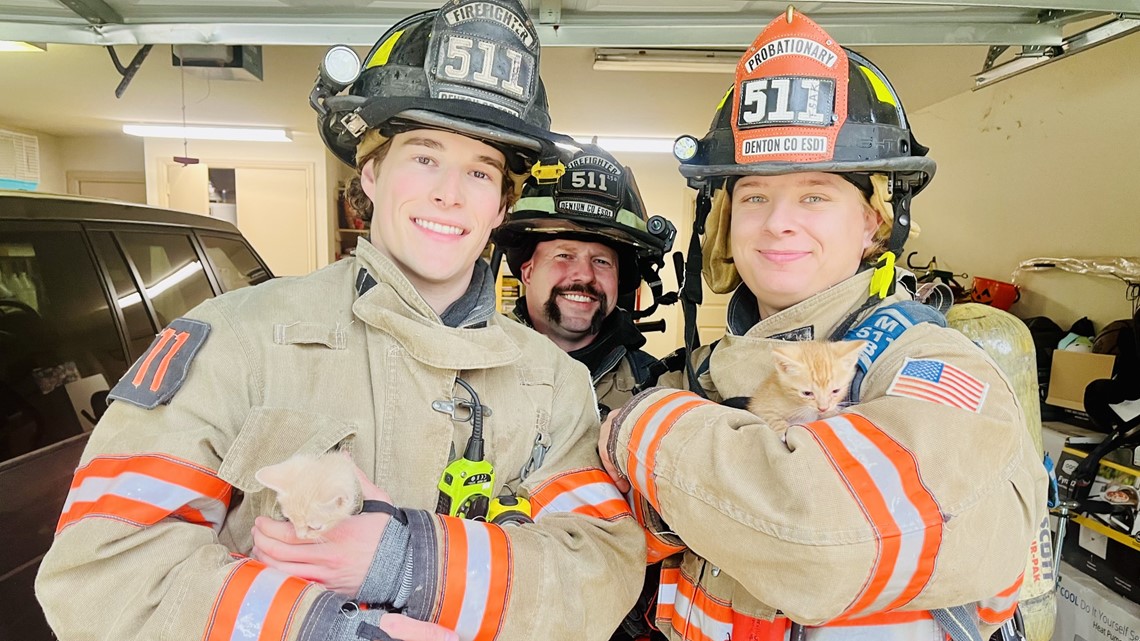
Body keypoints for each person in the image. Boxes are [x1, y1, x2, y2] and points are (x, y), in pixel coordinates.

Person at [35, 2, 645, 641]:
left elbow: (601, 571)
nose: (449, 193)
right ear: (373, 174)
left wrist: (410, 563)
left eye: (480, 172)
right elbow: (103, 570)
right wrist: (330, 630)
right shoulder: (235, 340)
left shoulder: (554, 383)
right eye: (424, 157)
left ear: (500, 208)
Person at [597, 9, 1048, 641]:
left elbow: (821, 540)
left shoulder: (934, 365)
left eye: (815, 194)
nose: (779, 222)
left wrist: (640, 426)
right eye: (754, 196)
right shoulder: (698, 376)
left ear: (872, 225)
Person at [492, 144, 677, 415]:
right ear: (527, 271)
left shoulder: (654, 393)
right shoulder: (475, 368)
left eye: (601, 261)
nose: (585, 275)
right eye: (564, 255)